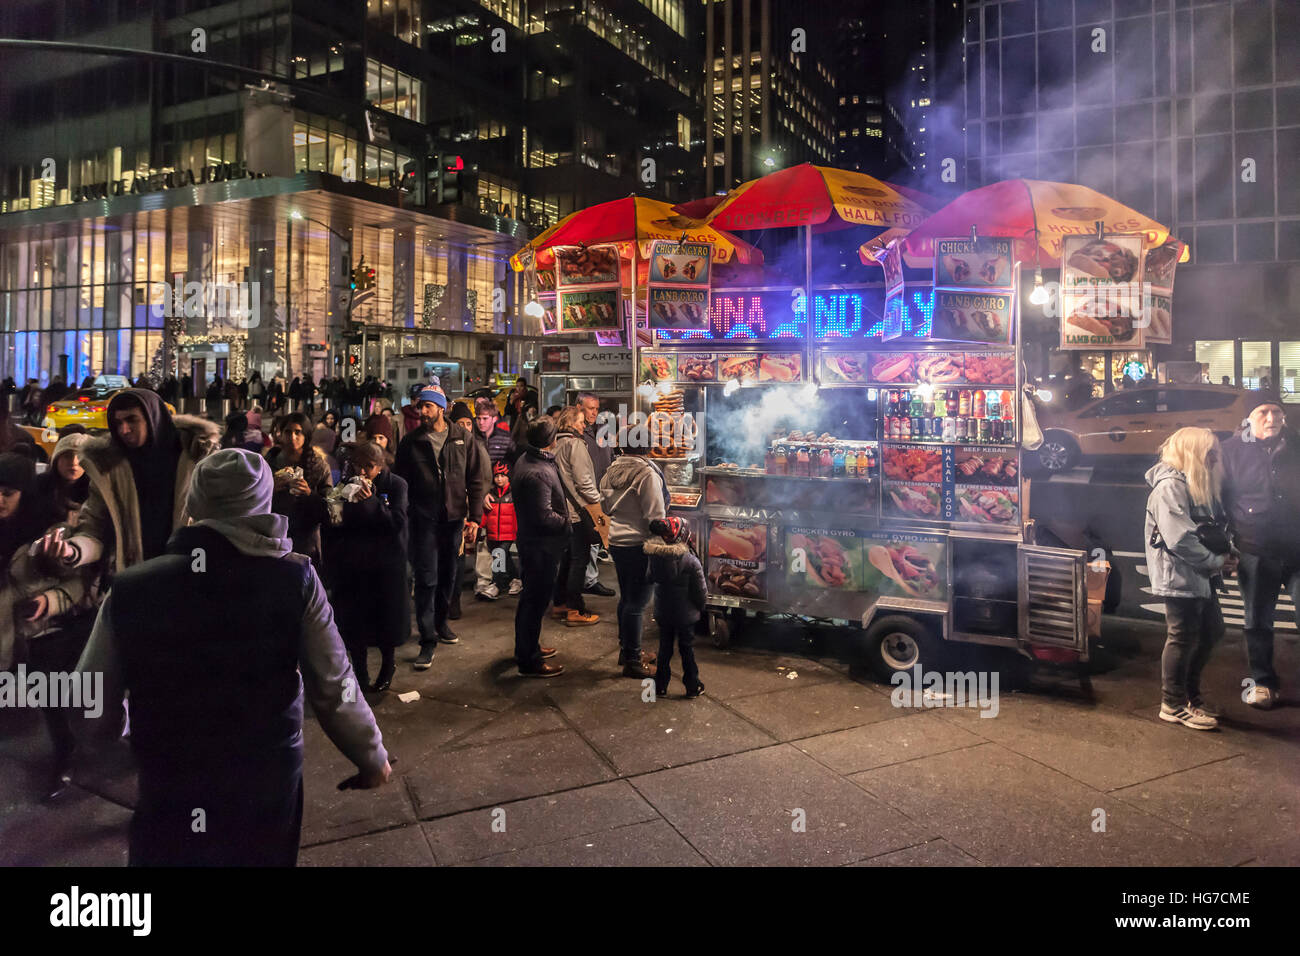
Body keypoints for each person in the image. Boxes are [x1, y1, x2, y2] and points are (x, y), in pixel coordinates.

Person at [74, 448, 391, 865]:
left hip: (171, 770)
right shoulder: (294, 578)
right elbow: (334, 685)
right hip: (265, 774)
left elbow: (89, 693)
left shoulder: (134, 586)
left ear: (194, 502)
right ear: (262, 501)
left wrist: (115, 746)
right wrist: (371, 758)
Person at [34, 389, 219, 577]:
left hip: (189, 577)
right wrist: (72, 550)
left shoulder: (198, 456)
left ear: (152, 418)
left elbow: (222, 524)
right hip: (136, 581)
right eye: (118, 423)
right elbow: (94, 528)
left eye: (132, 420)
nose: (124, 430)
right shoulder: (108, 468)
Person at [1144, 427, 1236, 731]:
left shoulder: (1190, 483)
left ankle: (1189, 698)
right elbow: (1180, 539)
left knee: (1211, 631)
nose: (1215, 459)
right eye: (1209, 453)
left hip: (1196, 572)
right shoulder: (1171, 486)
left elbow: (1207, 528)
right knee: (1183, 636)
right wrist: (1216, 562)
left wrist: (1225, 554)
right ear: (1193, 453)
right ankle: (1172, 704)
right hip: (1181, 574)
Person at [394, 379, 488, 668]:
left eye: (428, 405)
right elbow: (401, 481)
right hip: (423, 520)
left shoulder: (462, 437)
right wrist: (404, 513)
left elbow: (476, 478)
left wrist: (474, 518)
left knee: (449, 575)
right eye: (420, 405)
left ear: (442, 408)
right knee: (426, 577)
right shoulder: (411, 441)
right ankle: (427, 639)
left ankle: (441, 622)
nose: (422, 410)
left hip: (454, 518)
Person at [1221, 392, 1300, 709]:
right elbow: (1223, 500)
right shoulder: (1230, 451)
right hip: (1254, 548)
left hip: (1297, 548)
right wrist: (1228, 546)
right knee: (1257, 619)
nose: (1272, 418)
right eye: (1264, 411)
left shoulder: (1296, 445)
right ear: (1248, 418)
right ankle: (1263, 681)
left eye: (1277, 412)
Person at [322, 440, 409, 693]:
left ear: (380, 467)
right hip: (353, 567)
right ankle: (359, 671)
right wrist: (337, 501)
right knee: (354, 624)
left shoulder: (396, 485)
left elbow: (397, 523)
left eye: (369, 467)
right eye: (358, 466)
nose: (362, 472)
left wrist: (371, 503)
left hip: (384, 567)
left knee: (385, 622)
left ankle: (388, 665)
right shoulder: (342, 487)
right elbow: (333, 523)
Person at [598, 428, 665, 678]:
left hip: (617, 541)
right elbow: (655, 516)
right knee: (637, 603)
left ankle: (626, 650)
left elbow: (605, 506)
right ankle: (633, 661)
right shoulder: (646, 473)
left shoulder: (609, 472)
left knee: (627, 598)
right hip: (641, 544)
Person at [511, 417, 565, 677]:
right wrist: (567, 524)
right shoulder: (538, 472)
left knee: (531, 600)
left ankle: (527, 647)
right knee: (534, 601)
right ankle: (529, 660)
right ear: (551, 441)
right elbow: (543, 516)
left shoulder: (531, 459)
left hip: (534, 543)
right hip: (540, 546)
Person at [645, 516, 707, 699]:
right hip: (686, 616)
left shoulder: (655, 557)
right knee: (686, 649)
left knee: (664, 649)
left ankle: (660, 687)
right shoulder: (691, 561)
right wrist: (700, 607)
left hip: (664, 613)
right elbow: (700, 591)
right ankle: (692, 686)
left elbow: (648, 578)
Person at [551, 406, 601, 627]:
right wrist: (597, 503)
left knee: (566, 559)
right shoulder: (575, 444)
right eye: (581, 422)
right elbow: (583, 481)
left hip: (560, 511)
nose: (584, 426)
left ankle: (559, 603)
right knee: (579, 560)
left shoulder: (555, 444)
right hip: (577, 512)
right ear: (571, 423)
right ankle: (574, 608)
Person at [265, 412, 333, 565]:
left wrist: (310, 494)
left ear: (306, 435)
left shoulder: (318, 466)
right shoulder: (267, 464)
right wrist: (270, 488)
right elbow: (252, 501)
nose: (292, 437)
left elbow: (331, 509)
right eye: (287, 432)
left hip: (306, 542)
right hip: (273, 538)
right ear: (280, 434)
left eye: (298, 432)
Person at [576, 392, 615, 597]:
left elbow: (609, 456)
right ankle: (581, 583)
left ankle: (589, 579)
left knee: (594, 537)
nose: (594, 412)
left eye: (596, 408)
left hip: (601, 490)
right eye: (591, 408)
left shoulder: (602, 431)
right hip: (582, 494)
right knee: (583, 540)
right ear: (578, 407)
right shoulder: (575, 433)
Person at [479, 461, 521, 599]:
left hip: (508, 533)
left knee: (499, 554)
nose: (499, 479)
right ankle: (516, 580)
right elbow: (485, 513)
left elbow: (518, 514)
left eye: (503, 475)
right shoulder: (490, 494)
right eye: (497, 476)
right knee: (504, 557)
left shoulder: (514, 493)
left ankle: (496, 584)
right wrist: (479, 528)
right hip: (493, 534)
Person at [30, 433, 90, 529]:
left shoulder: (94, 492)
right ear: (56, 460)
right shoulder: (39, 485)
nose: (74, 462)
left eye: (79, 456)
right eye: (67, 456)